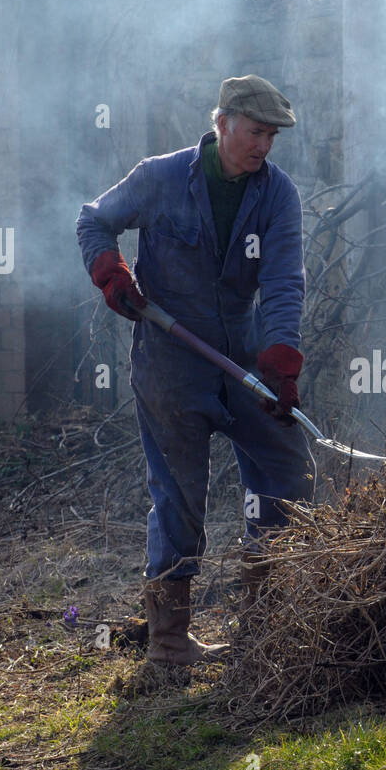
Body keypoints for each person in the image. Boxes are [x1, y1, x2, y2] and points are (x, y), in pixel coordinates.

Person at [76, 75, 314, 667]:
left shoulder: (277, 196)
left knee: (286, 470)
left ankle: (264, 627)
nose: (264, 146)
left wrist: (281, 357)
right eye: (256, 132)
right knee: (179, 496)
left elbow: (283, 280)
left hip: (245, 359)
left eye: (272, 136)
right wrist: (111, 271)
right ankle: (169, 644)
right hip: (170, 360)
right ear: (223, 124)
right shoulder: (159, 177)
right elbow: (94, 220)